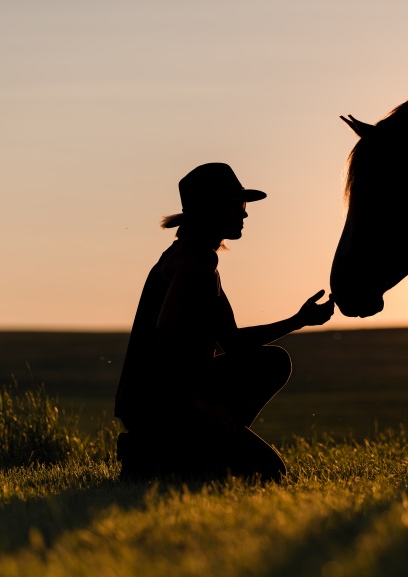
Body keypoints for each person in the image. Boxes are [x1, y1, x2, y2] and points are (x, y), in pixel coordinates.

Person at [114, 162, 334, 481]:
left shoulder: (195, 257)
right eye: (238, 204)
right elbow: (167, 330)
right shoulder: (194, 259)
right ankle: (167, 452)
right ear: (212, 209)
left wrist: (299, 320)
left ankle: (177, 451)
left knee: (274, 362)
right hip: (159, 405)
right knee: (270, 472)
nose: (245, 213)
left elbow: (231, 341)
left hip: (158, 402)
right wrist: (200, 400)